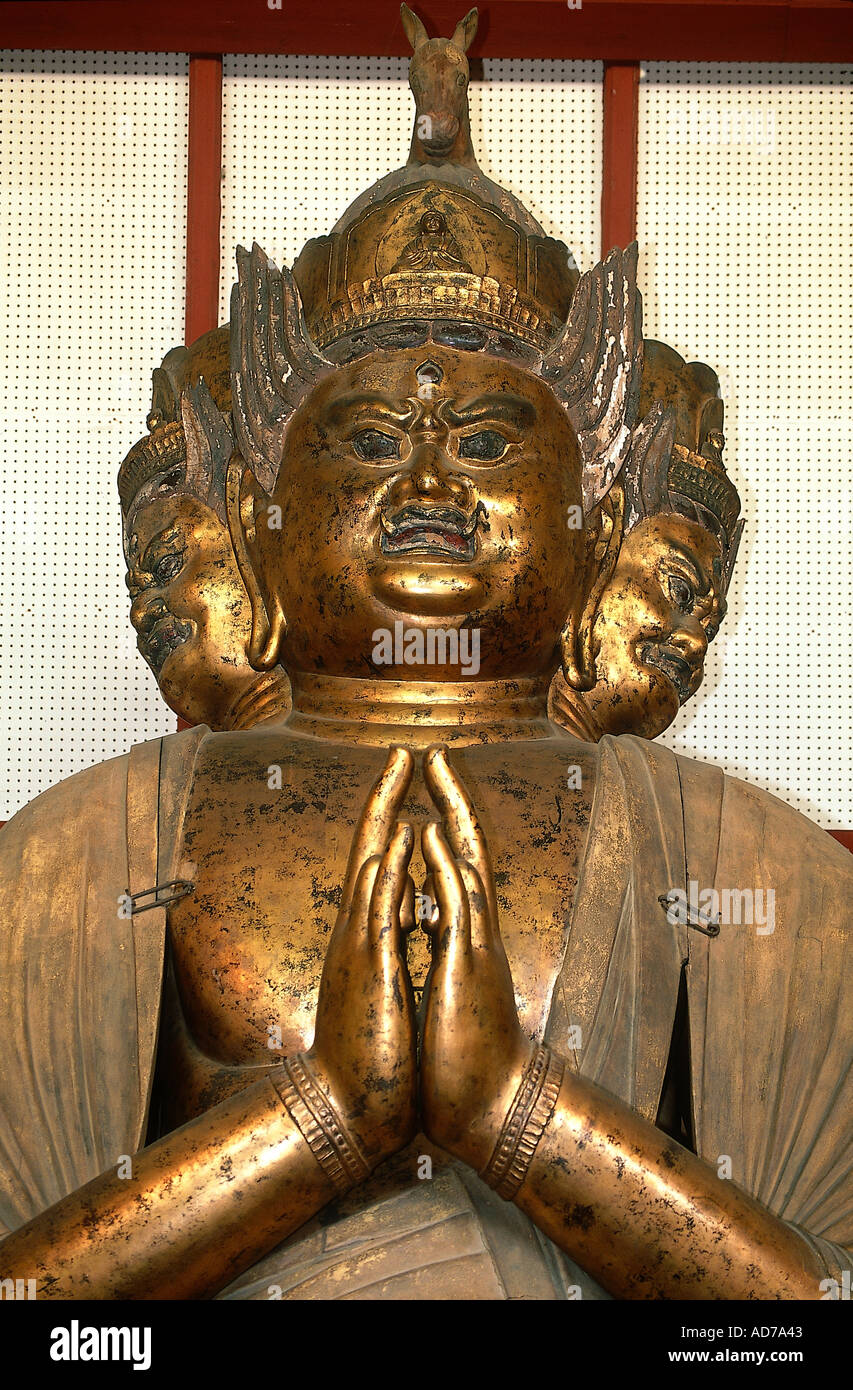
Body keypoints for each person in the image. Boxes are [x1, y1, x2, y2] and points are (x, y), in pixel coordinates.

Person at [0, 6, 849, 1301]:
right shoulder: (80, 855)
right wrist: (325, 1118)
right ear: (249, 514)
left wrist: (513, 1111)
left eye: (497, 440)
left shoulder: (739, 860)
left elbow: (806, 1309)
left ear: (605, 512)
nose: (433, 476)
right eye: (370, 439)